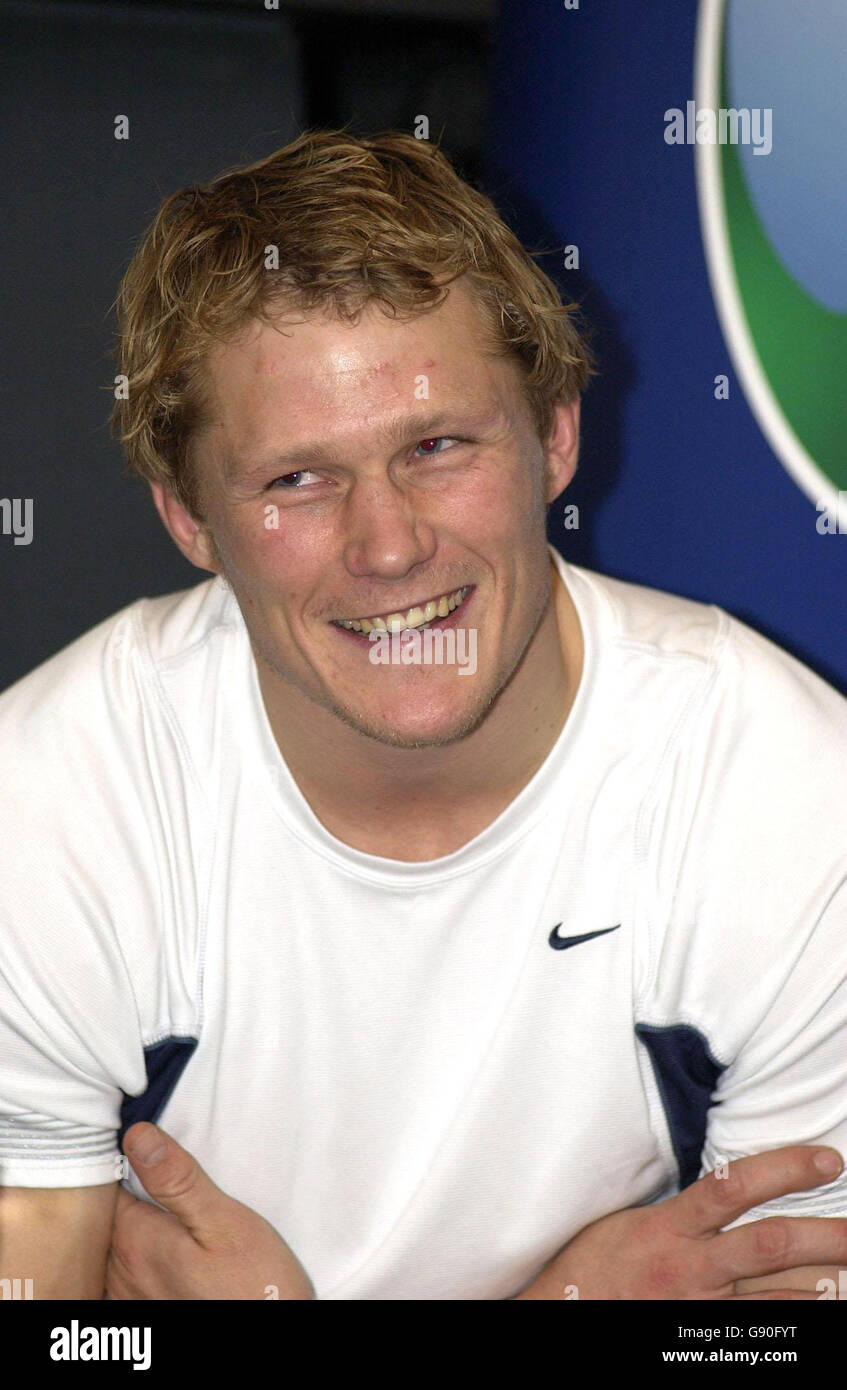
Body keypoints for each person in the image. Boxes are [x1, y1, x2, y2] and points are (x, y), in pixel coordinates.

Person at [1, 131, 846, 1302]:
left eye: (439, 445)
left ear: (554, 435)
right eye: (296, 478)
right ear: (191, 520)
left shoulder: (786, 791)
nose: (389, 544)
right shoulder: (49, 803)